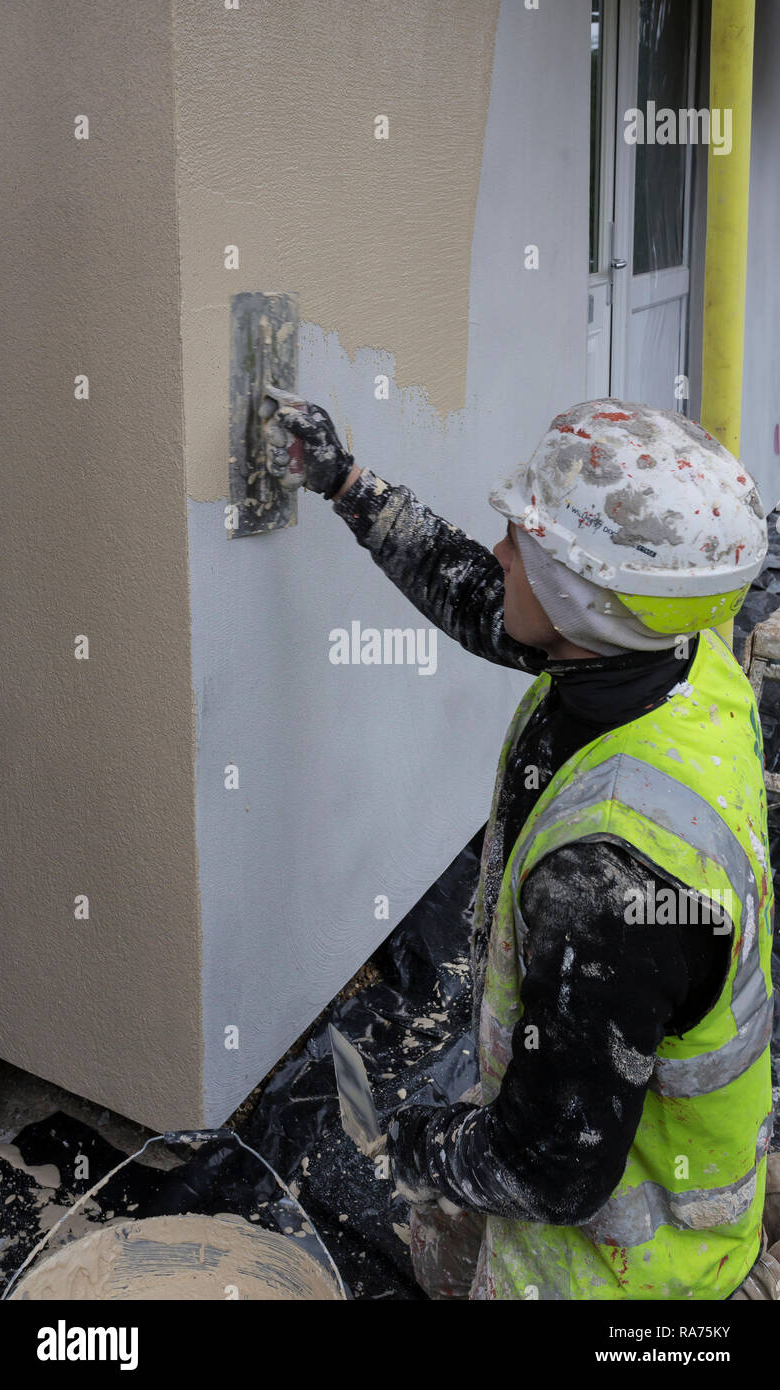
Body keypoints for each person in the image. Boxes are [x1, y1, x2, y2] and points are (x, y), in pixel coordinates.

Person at [272, 395, 777, 1301]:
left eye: (525, 545)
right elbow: (477, 594)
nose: (502, 552)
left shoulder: (612, 880)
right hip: (646, 1149)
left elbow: (552, 1171)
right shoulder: (672, 655)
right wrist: (345, 480)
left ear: (585, 599)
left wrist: (414, 1146)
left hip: (628, 1272)